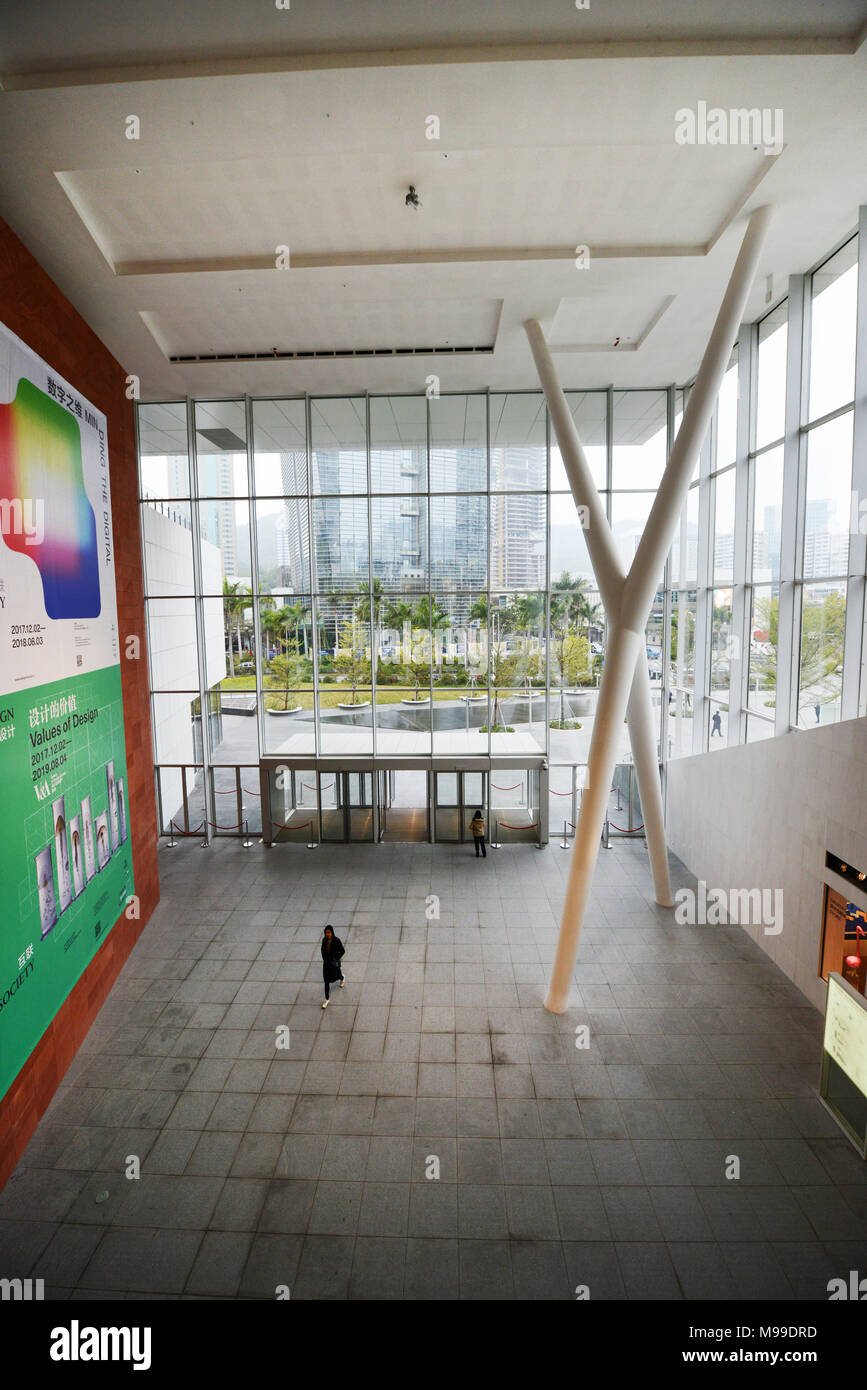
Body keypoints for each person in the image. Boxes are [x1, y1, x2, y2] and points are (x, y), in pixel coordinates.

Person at [320, 924, 345, 1009]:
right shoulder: (324, 940)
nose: (328, 934)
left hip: (334, 964)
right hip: (326, 964)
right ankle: (326, 999)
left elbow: (342, 951)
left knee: (338, 975)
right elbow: (322, 950)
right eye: (326, 933)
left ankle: (342, 978)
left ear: (332, 932)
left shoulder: (336, 940)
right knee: (326, 981)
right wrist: (324, 959)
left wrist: (336, 957)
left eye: (329, 932)